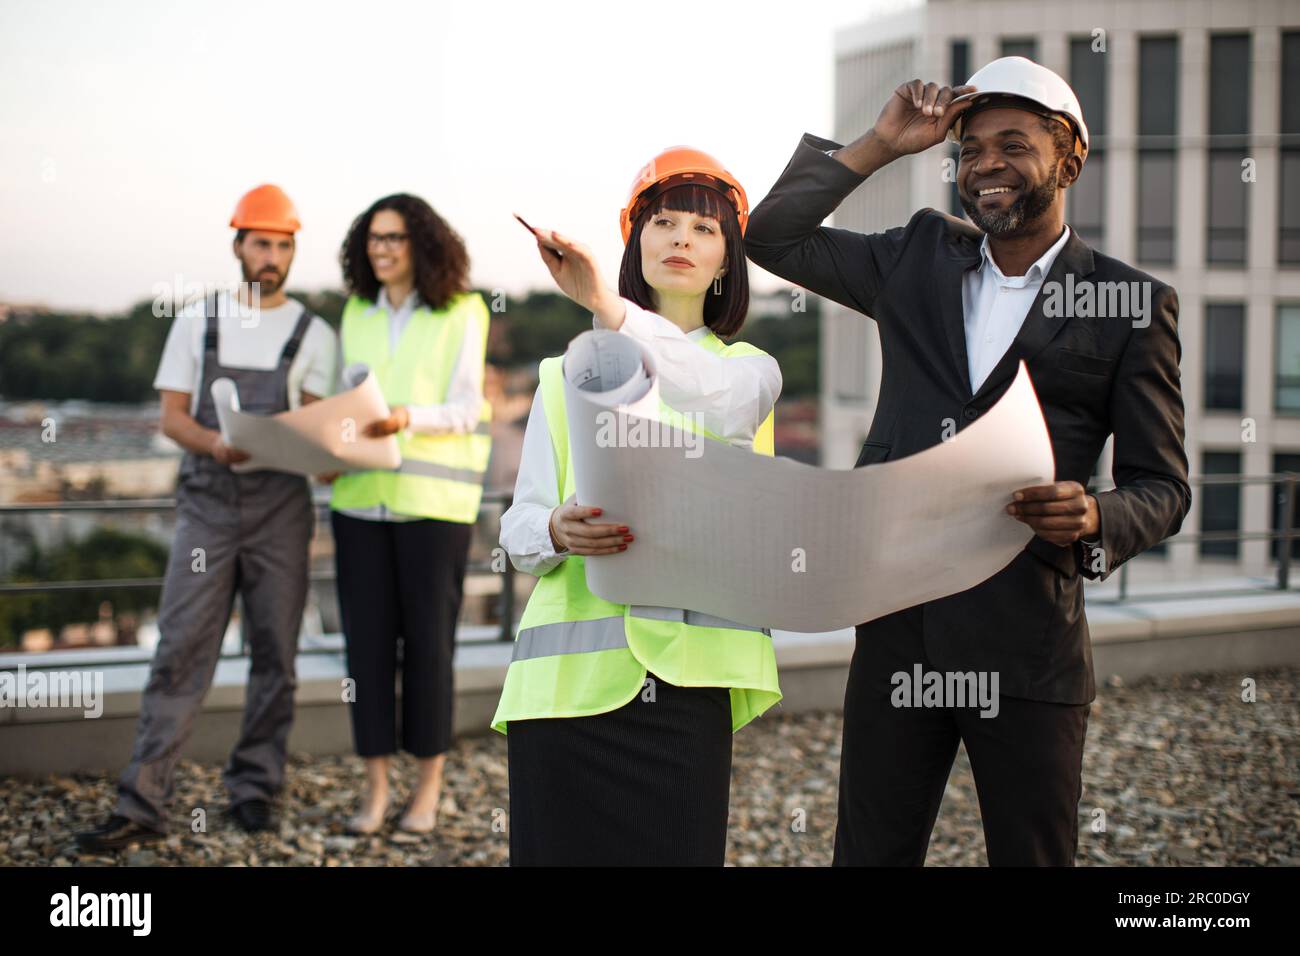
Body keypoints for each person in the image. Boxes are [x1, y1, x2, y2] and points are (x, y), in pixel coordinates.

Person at [744, 56, 1191, 865]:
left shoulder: (1132, 304)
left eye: (1012, 145)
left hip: (1026, 640)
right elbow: (771, 236)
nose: (984, 164)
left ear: (1069, 159)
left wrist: (1096, 515)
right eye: (970, 149)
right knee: (870, 853)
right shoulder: (917, 255)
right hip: (898, 626)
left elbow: (1164, 487)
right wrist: (880, 145)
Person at [493, 148, 782, 865]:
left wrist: (609, 311)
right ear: (636, 243)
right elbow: (518, 529)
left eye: (705, 229)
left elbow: (702, 390)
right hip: (563, 697)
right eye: (663, 222)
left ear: (726, 261)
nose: (682, 238)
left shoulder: (749, 374)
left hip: (687, 691)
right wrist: (555, 530)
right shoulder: (565, 374)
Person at [77, 185, 339, 851]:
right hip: (208, 504)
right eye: (261, 242)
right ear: (238, 245)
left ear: (292, 250)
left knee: (276, 654)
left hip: (281, 507)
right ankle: (142, 800)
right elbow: (172, 419)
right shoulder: (198, 321)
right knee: (181, 646)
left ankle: (254, 787)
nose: (272, 256)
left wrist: (320, 454)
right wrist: (215, 444)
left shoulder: (315, 333)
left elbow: (312, 430)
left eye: (283, 245)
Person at [326, 194, 491, 834]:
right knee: (364, 654)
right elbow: (348, 399)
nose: (382, 249)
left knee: (428, 651)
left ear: (422, 243)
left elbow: (468, 408)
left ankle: (426, 789)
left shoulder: (462, 311)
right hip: (359, 504)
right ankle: (374, 791)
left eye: (394, 237)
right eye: (372, 239)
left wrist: (406, 419)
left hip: (433, 509)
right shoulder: (356, 313)